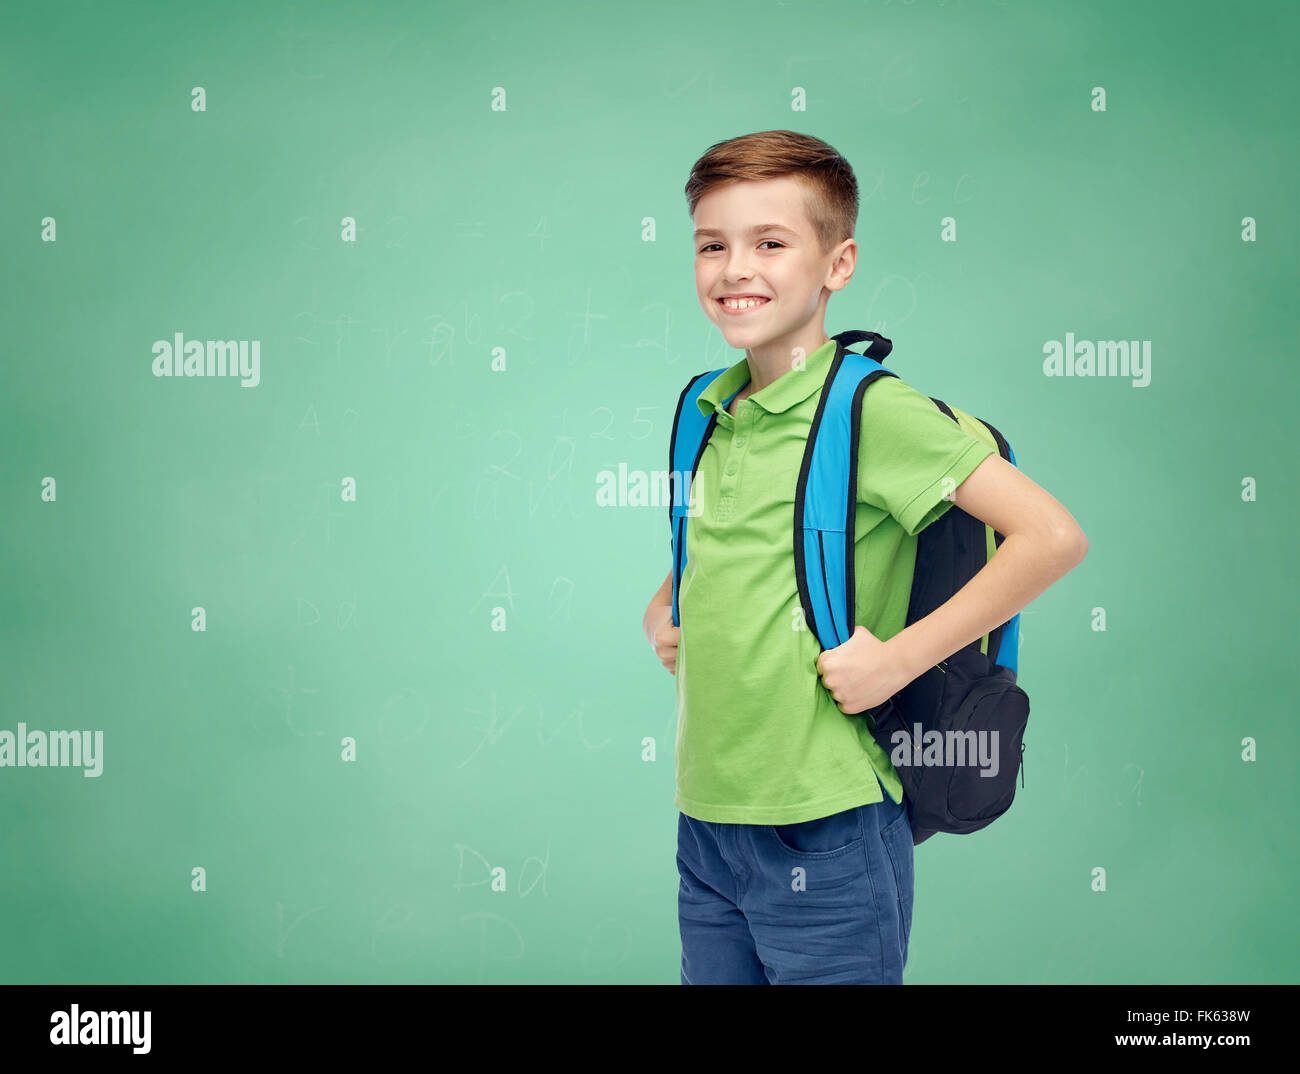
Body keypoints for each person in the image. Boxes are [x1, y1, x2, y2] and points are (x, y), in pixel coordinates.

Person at [642, 129, 1088, 985]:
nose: (737, 268)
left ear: (837, 264)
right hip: (706, 822)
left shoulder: (873, 413)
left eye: (771, 243)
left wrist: (899, 662)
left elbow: (1052, 536)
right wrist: (666, 607)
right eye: (713, 244)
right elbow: (719, 539)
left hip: (831, 825)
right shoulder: (705, 407)